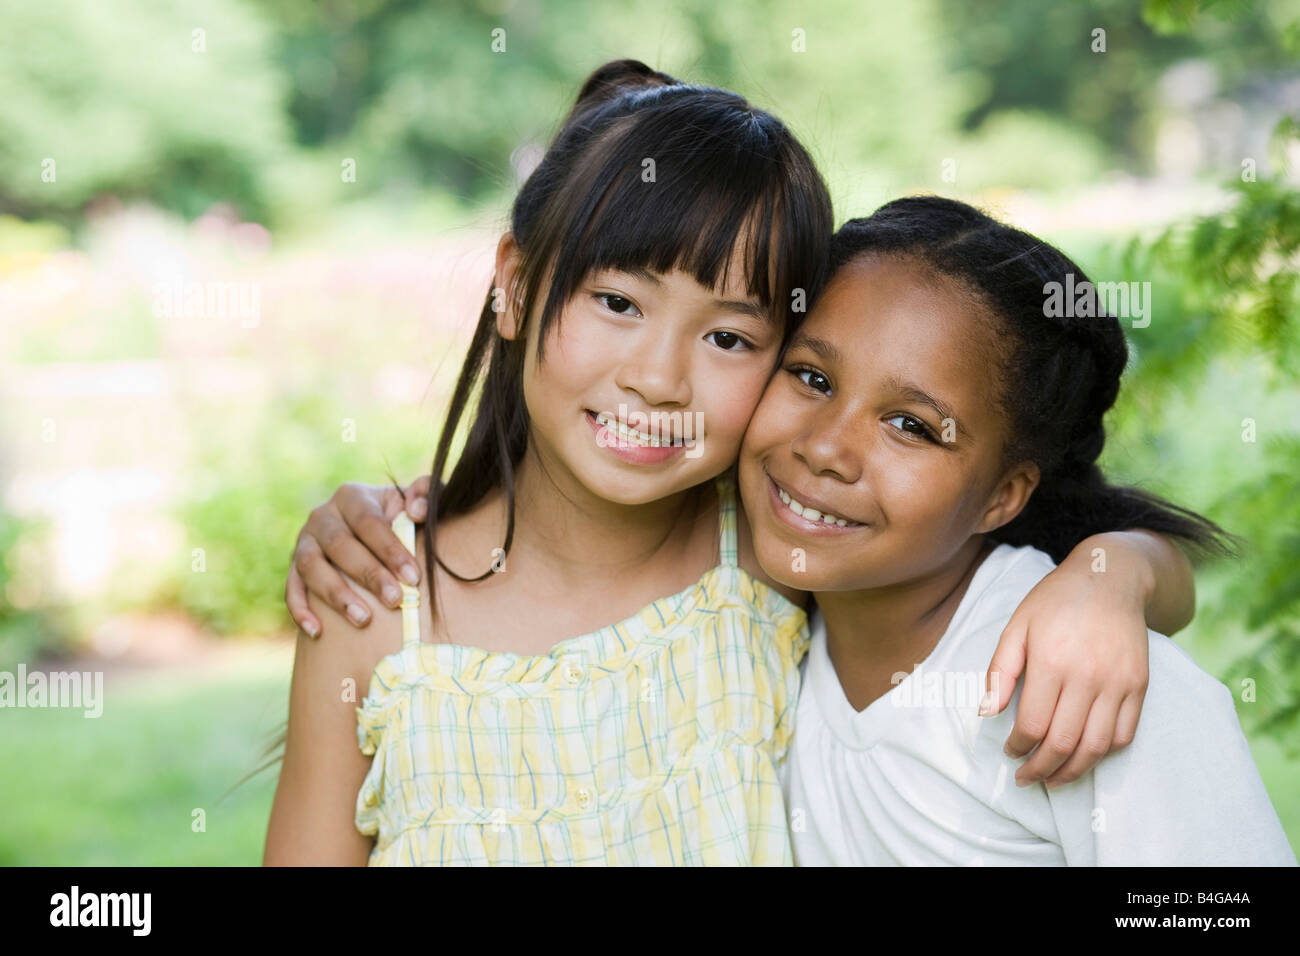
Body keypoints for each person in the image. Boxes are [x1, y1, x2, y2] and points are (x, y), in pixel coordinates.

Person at [266, 60, 1196, 866]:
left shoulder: (769, 553)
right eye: (619, 303)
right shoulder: (379, 614)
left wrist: (1110, 575)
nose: (659, 379)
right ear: (512, 286)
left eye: (728, 335)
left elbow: (1027, 552)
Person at [745, 196, 1296, 865]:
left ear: (1002, 497)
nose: (825, 447)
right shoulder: (757, 628)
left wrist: (1120, 569)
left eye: (911, 426)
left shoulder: (1087, 681)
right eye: (811, 376)